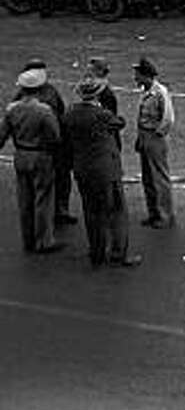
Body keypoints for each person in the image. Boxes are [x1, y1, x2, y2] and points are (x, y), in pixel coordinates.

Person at [61, 77, 140, 268]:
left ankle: (97, 252)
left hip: (83, 168)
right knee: (116, 212)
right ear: (96, 95)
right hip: (106, 170)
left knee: (92, 212)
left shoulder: (71, 114)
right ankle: (118, 254)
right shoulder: (101, 114)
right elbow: (120, 122)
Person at [0, 67, 63, 254]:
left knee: (24, 199)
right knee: (43, 199)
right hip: (41, 155)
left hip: (20, 154)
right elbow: (55, 136)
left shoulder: (12, 109)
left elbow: (2, 135)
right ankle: (44, 240)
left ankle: (27, 239)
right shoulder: (44, 111)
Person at [133, 57, 175, 229]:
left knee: (160, 178)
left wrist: (156, 135)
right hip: (145, 135)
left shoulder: (160, 92)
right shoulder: (146, 90)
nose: (135, 78)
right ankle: (154, 213)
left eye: (137, 75)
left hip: (155, 136)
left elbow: (168, 119)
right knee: (148, 178)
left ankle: (165, 215)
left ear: (146, 76)